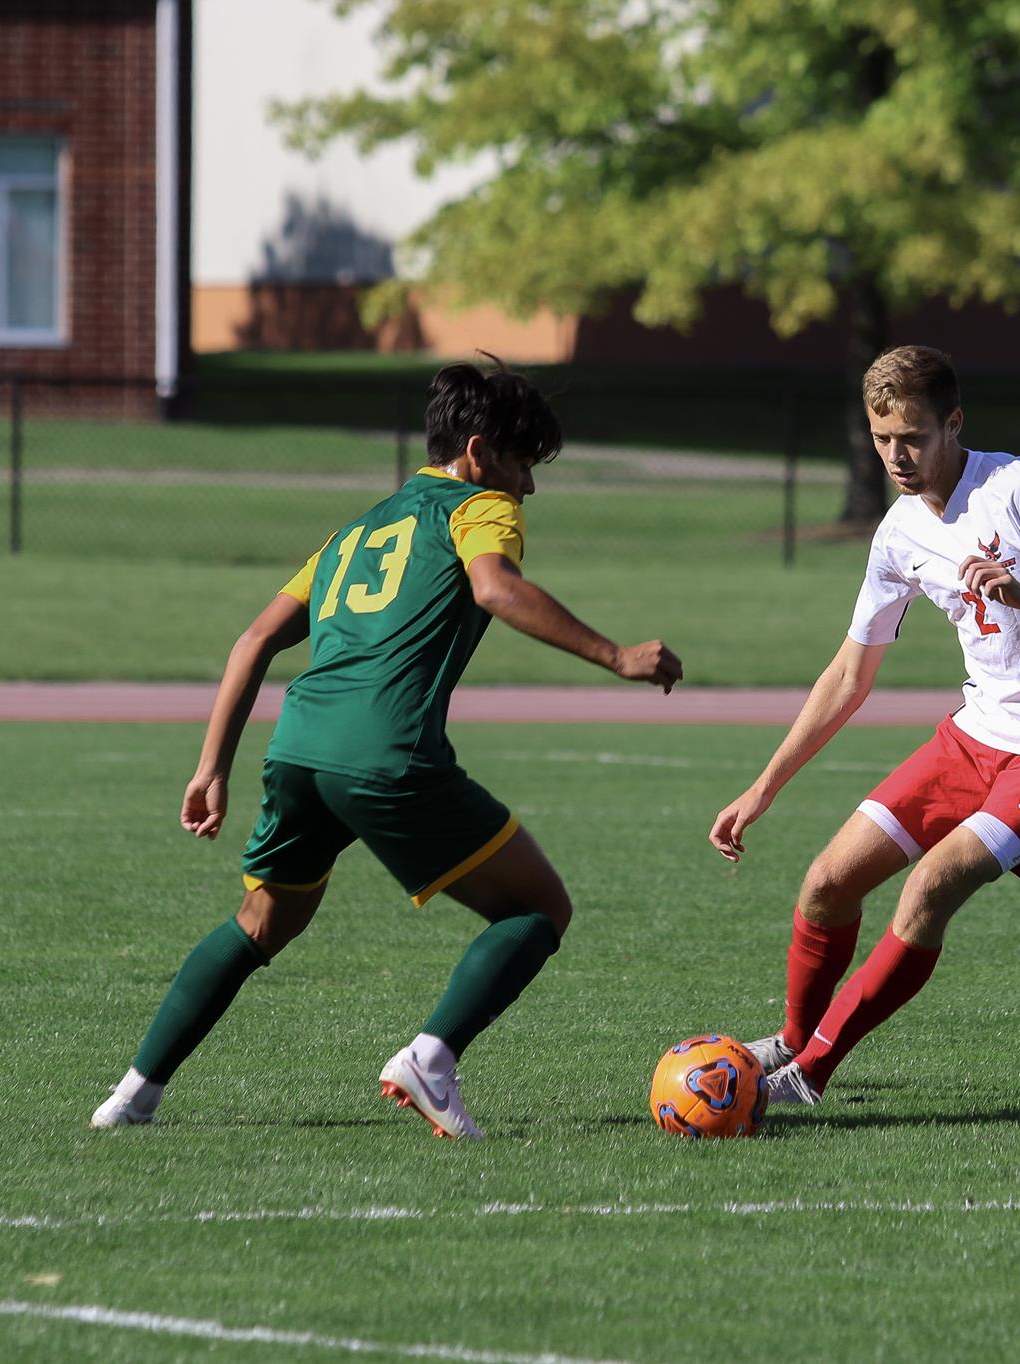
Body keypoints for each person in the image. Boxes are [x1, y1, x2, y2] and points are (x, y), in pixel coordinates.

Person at [93, 360, 682, 1140]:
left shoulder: (356, 531)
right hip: (384, 751)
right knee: (540, 908)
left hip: (299, 748)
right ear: (477, 452)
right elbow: (495, 589)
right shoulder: (478, 508)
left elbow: (253, 641)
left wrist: (211, 767)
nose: (527, 488)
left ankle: (133, 1093)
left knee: (261, 922)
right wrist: (616, 656)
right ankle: (430, 1059)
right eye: (522, 465)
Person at [709, 345, 1020, 1107]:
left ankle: (806, 1079)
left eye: (913, 437)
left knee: (928, 887)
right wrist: (764, 788)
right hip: (976, 735)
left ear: (954, 423)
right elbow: (851, 673)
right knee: (826, 883)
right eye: (882, 439)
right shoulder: (898, 534)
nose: (897, 455)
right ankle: (794, 1040)